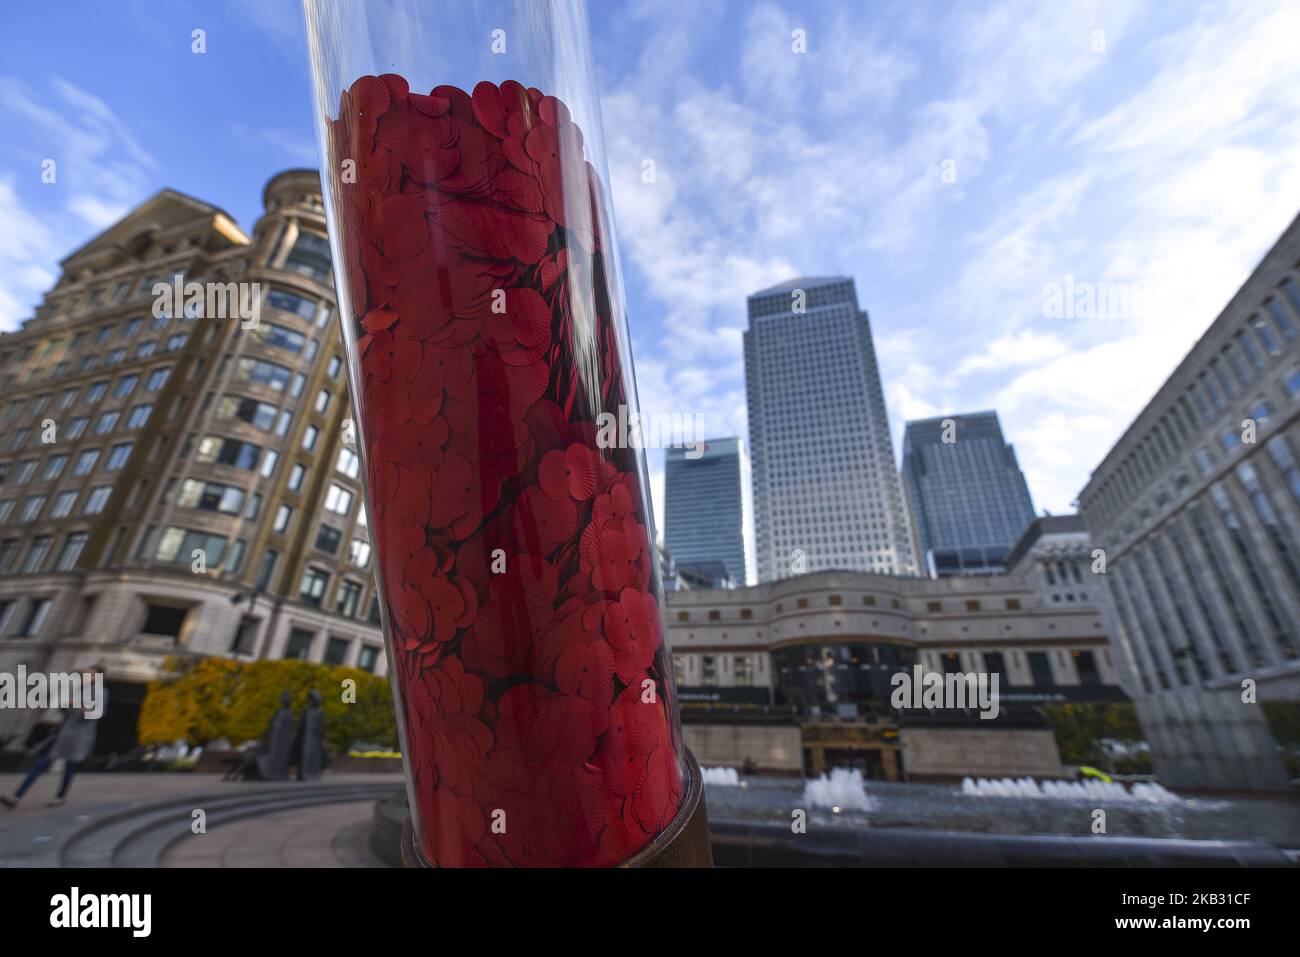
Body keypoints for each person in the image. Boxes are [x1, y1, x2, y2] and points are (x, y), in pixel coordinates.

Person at [1, 704, 100, 809]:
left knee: (68, 768)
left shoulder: (100, 693)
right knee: (40, 764)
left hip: (76, 741)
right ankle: (16, 797)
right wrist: (66, 706)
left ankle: (60, 797)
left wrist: (79, 705)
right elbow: (64, 712)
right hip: (62, 738)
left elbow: (93, 714)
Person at [295, 689, 328, 781]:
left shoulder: (320, 712)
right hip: (306, 737)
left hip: (315, 738)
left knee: (313, 755)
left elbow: (322, 727)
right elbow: (301, 725)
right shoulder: (306, 711)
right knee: (306, 754)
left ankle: (312, 773)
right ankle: (304, 773)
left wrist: (323, 738)